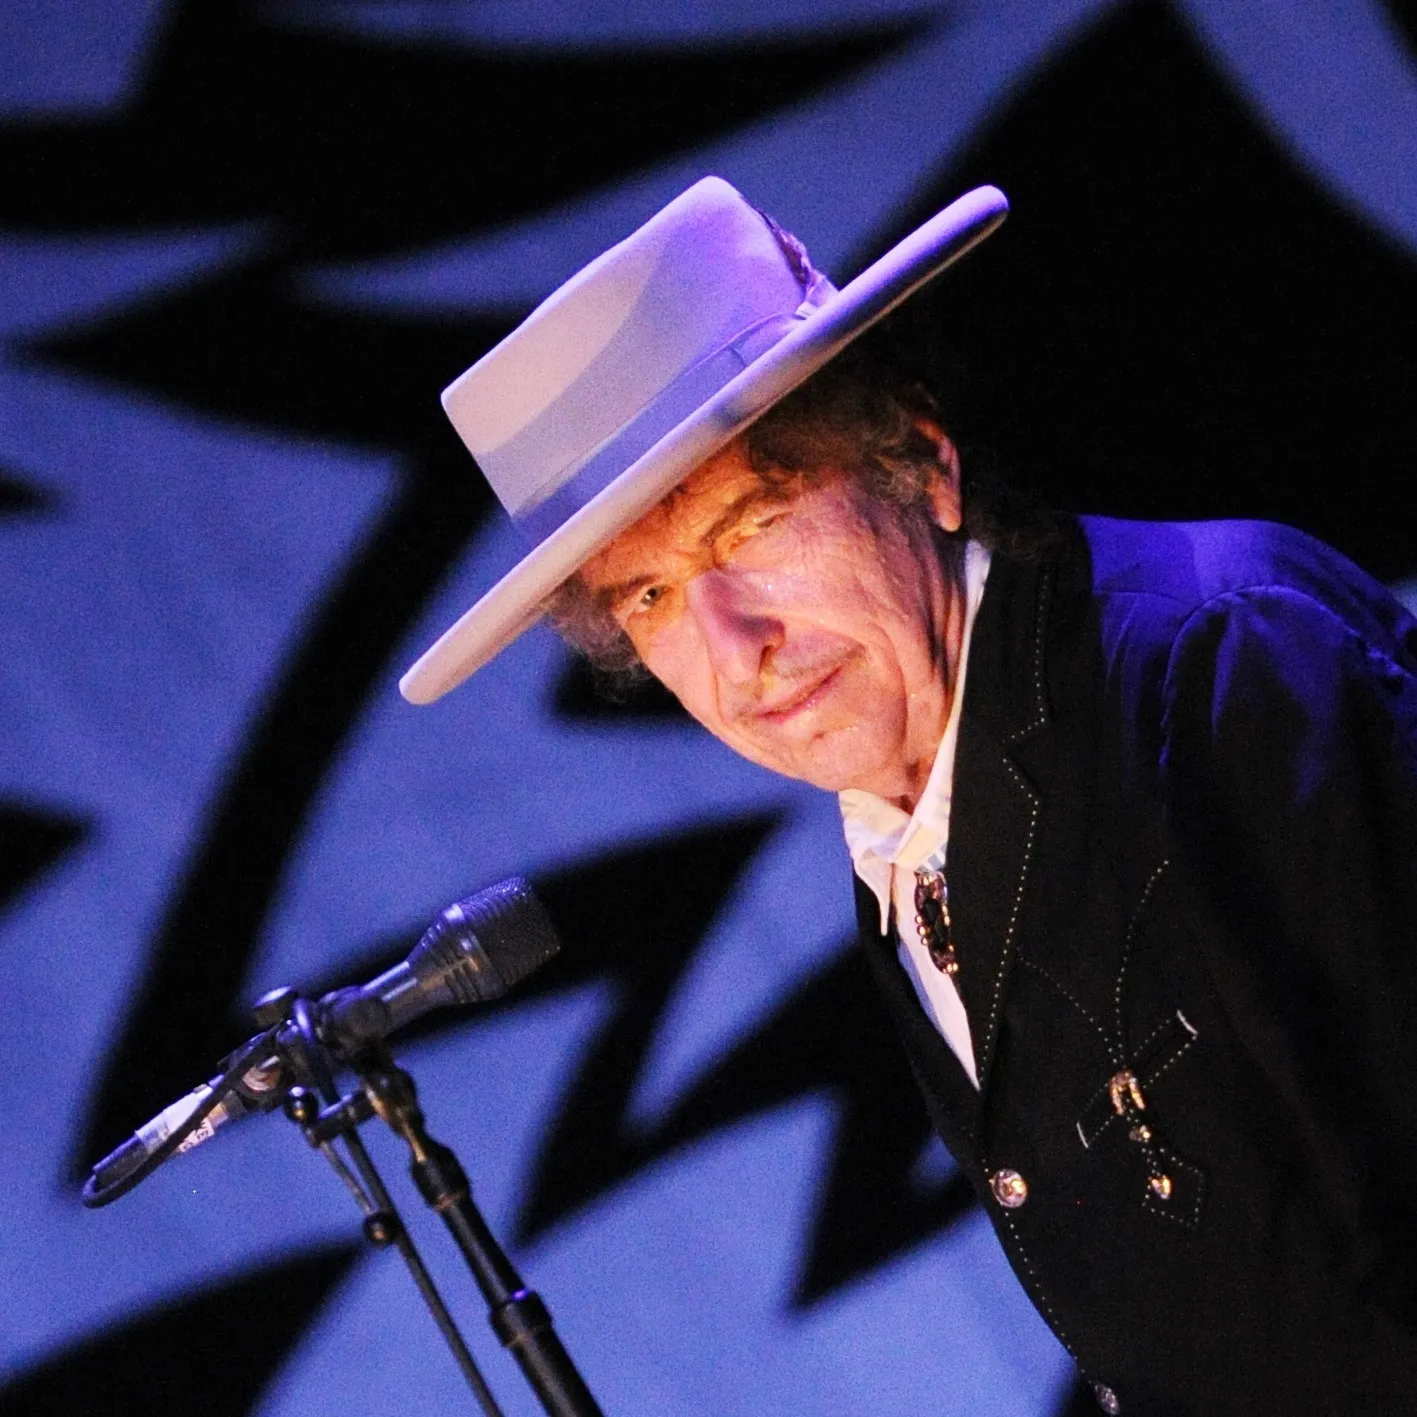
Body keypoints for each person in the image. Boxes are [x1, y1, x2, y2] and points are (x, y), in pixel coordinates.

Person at [399, 178, 1417, 1414]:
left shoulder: (1216, 667)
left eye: (749, 525)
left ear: (921, 465)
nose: (735, 649)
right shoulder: (901, 832)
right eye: (651, 598)